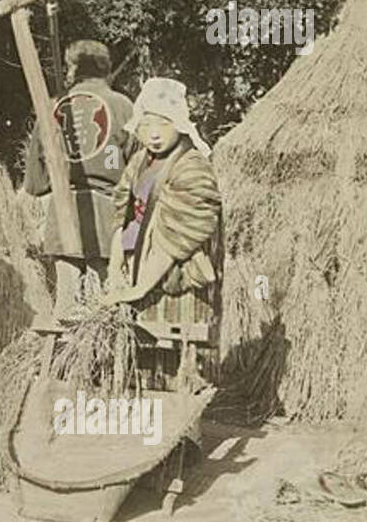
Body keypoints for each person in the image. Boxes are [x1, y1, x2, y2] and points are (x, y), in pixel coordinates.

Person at [24, 39, 134, 318]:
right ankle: (101, 359)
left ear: (71, 70)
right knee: (104, 304)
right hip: (110, 212)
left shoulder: (51, 108)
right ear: (106, 69)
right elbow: (139, 166)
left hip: (64, 211)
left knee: (66, 302)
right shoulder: (123, 107)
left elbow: (36, 183)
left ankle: (65, 358)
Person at [103, 76, 222, 311]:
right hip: (133, 272)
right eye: (146, 125)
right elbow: (121, 213)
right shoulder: (138, 162)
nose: (154, 135)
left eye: (164, 124)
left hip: (173, 284)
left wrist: (140, 289)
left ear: (178, 124)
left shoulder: (192, 167)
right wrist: (115, 270)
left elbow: (179, 233)